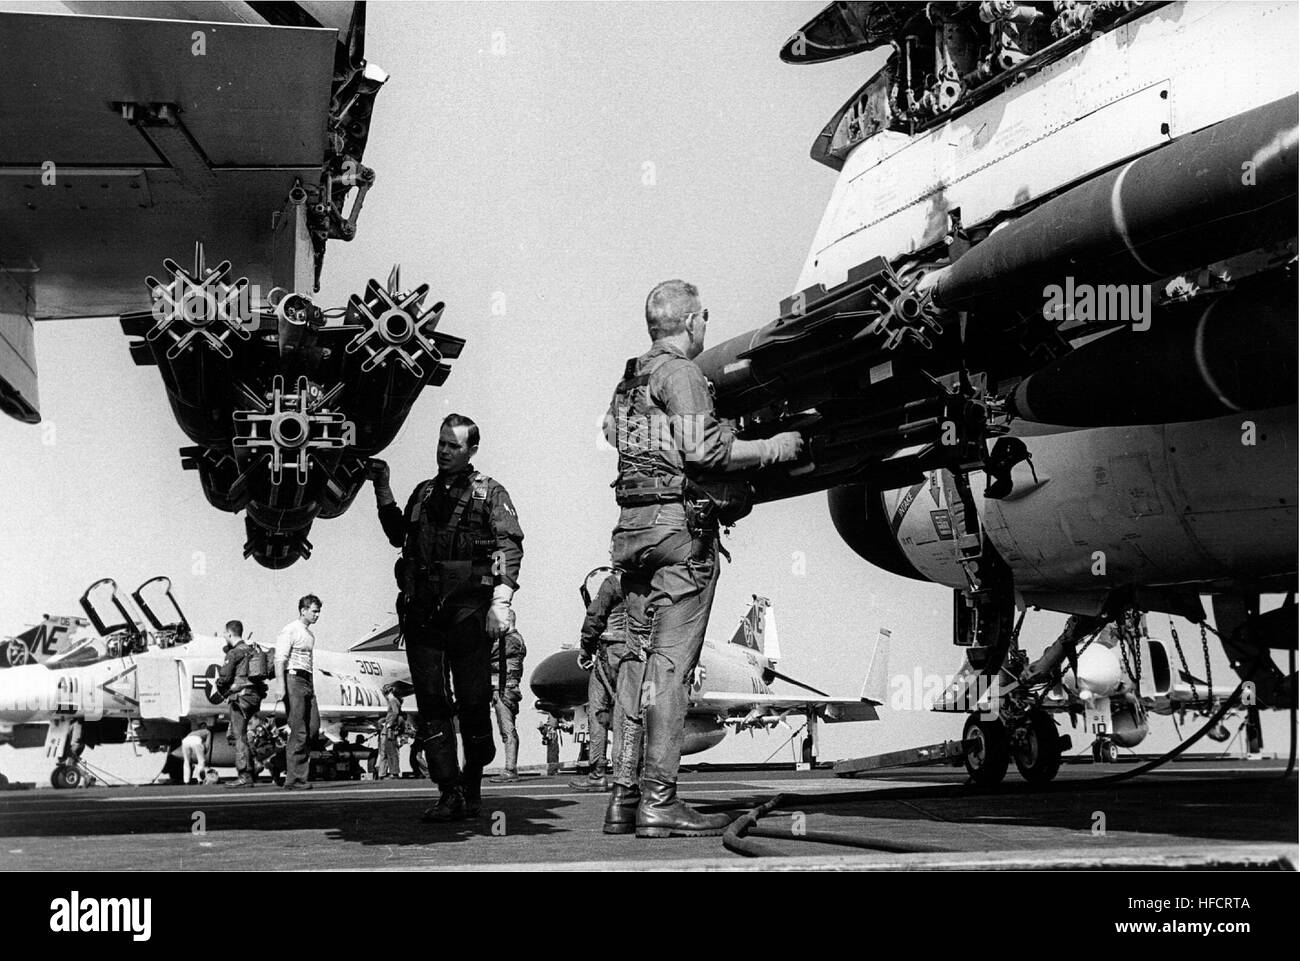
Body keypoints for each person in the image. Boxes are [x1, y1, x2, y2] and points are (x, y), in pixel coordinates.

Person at [604, 280, 802, 837]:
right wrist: (774, 447)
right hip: (677, 535)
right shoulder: (682, 373)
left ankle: (623, 799)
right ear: (693, 321)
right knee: (670, 670)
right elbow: (702, 450)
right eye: (704, 320)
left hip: (631, 531)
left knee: (635, 666)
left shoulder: (630, 378)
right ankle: (660, 802)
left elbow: (614, 432)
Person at [369, 413, 524, 822]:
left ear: (471, 450)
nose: (443, 451)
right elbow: (398, 535)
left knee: (473, 704)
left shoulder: (490, 494)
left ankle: (472, 780)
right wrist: (383, 489)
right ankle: (448, 790)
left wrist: (501, 602)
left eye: (453, 446)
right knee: (433, 705)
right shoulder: (423, 493)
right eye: (441, 443)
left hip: (469, 616)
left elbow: (509, 546)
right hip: (423, 616)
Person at [579, 567, 651, 834]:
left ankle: (598, 775)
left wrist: (586, 648)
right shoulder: (649, 583)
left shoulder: (612, 583)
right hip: (634, 653)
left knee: (598, 712)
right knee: (629, 713)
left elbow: (594, 616)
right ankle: (631, 781)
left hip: (607, 650)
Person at [274, 595, 322, 790]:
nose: (317, 615)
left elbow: (308, 662)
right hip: (293, 679)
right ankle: (294, 780)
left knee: (313, 727)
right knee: (299, 729)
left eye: (318, 611)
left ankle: (281, 761)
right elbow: (280, 659)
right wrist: (280, 685)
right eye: (314, 610)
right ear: (303, 610)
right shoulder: (290, 630)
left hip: (307, 680)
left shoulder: (310, 635)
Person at [214, 620, 266, 788]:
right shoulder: (252, 649)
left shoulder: (234, 653)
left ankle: (244, 775)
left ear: (229, 633)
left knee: (239, 736)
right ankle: (256, 764)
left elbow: (224, 678)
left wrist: (222, 691)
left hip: (240, 698)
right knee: (248, 734)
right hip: (255, 697)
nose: (224, 635)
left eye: (224, 633)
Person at [488, 612, 527, 783]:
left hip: (504, 689)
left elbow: (489, 655)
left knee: (507, 730)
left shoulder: (510, 641)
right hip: (507, 688)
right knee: (508, 729)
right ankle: (510, 768)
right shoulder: (515, 640)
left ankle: (510, 769)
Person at [377, 685, 404, 779]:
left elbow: (395, 712)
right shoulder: (395, 701)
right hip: (389, 728)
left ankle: (390, 773)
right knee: (388, 751)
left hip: (389, 729)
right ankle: (385, 773)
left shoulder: (393, 701)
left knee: (389, 751)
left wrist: (389, 724)